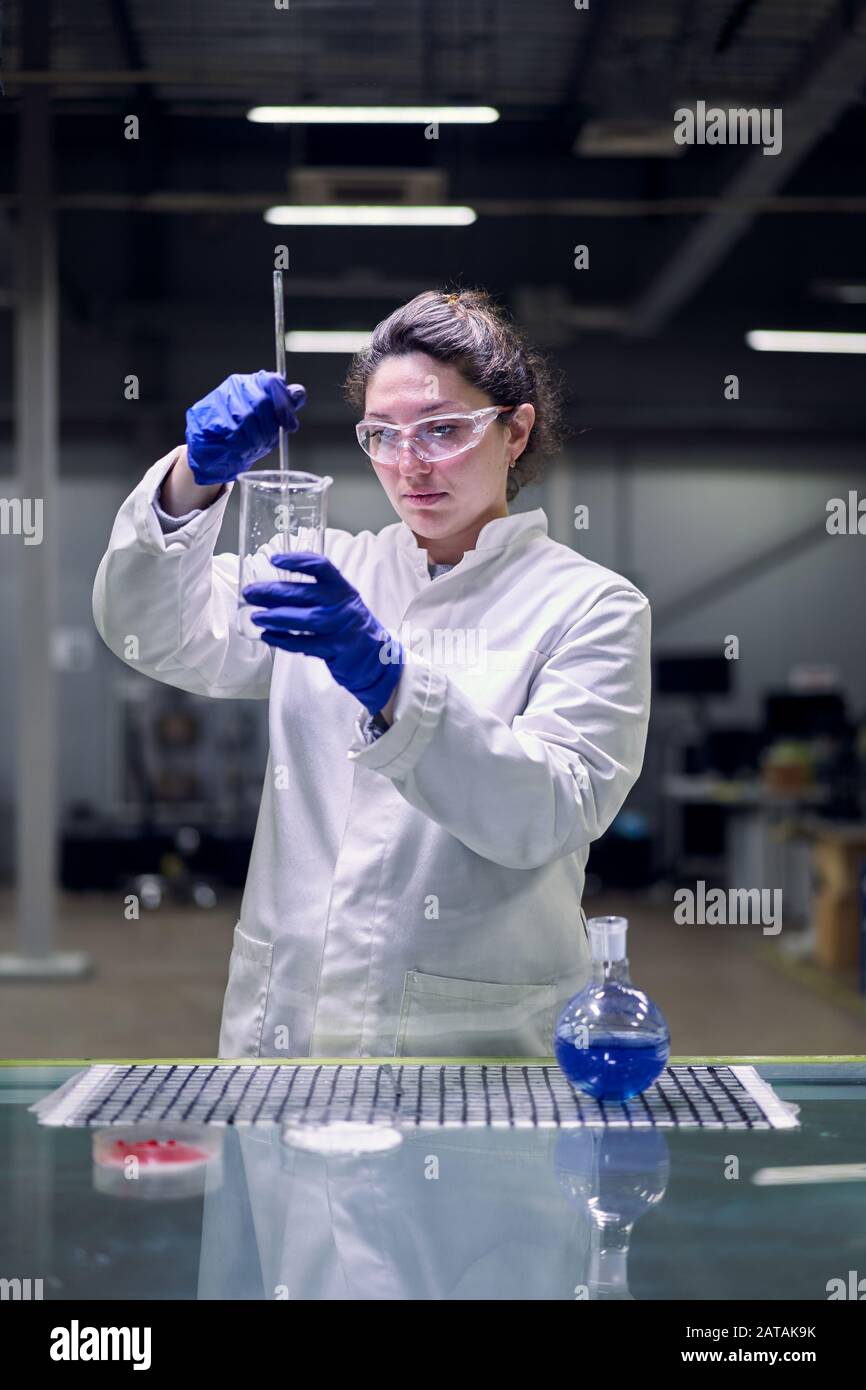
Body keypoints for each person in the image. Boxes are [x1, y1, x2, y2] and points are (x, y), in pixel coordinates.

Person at [92, 288, 651, 1059]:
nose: (410, 464)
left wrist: (390, 683)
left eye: (443, 430)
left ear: (515, 430)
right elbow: (150, 631)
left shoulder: (591, 606)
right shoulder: (328, 575)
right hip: (287, 1035)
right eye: (382, 435)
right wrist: (193, 479)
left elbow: (550, 812)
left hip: (469, 1048)